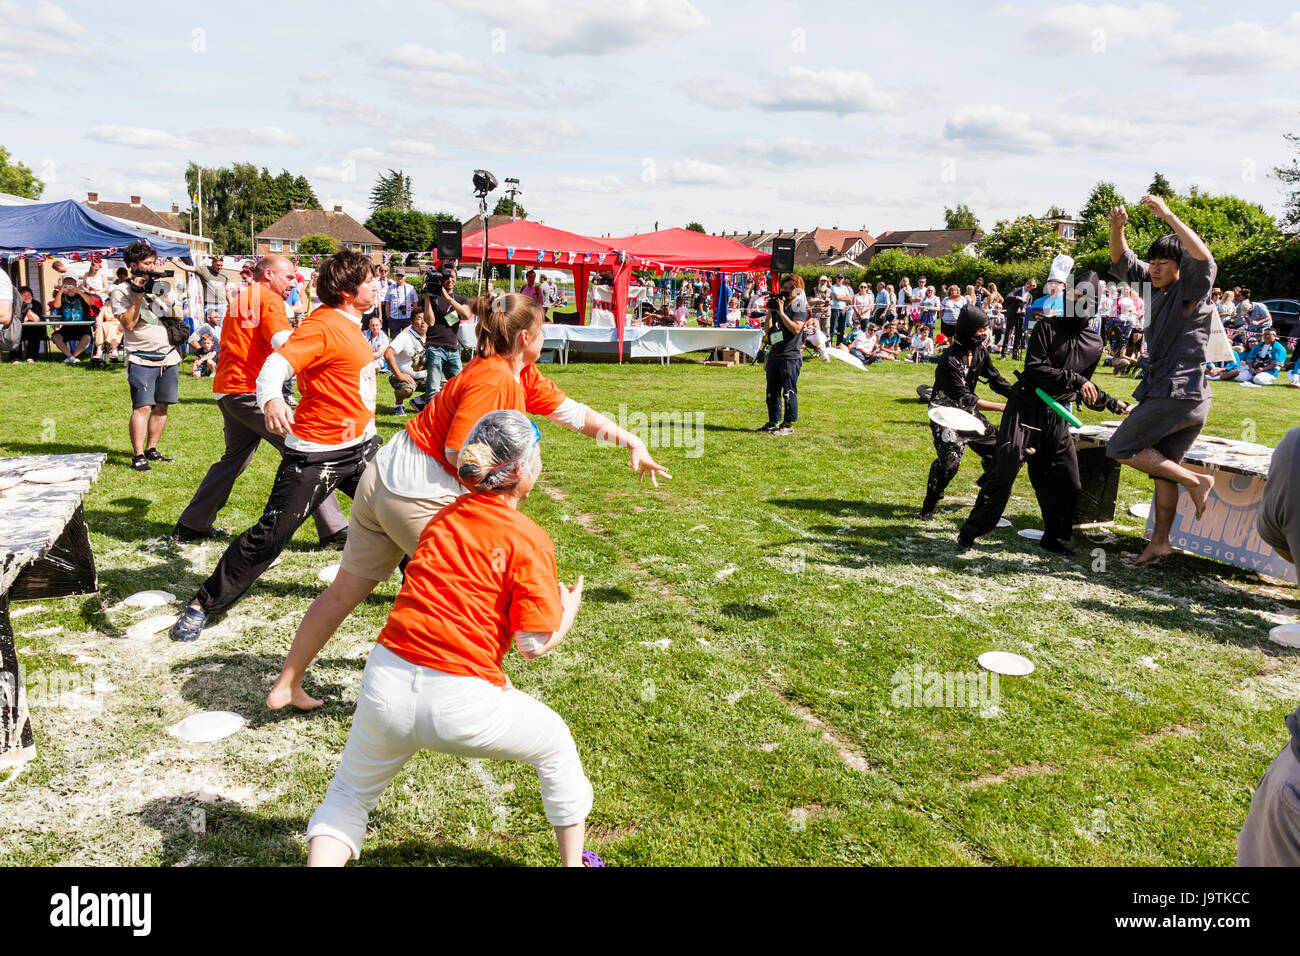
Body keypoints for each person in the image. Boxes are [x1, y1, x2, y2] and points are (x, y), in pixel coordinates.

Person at [265, 293, 670, 710]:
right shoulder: (494, 378)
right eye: (543, 330)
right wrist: (499, 515)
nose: (545, 336)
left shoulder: (517, 371)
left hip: (383, 478)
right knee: (476, 591)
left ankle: (286, 684)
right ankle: (489, 687)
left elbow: (573, 413)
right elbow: (464, 457)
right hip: (416, 492)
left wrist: (631, 440)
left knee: (343, 592)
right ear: (526, 336)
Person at [304, 409, 598, 867]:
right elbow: (533, 644)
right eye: (537, 454)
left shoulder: (441, 519)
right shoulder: (529, 538)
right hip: (461, 699)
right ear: (521, 469)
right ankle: (573, 863)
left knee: (348, 796)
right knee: (556, 743)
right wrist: (568, 612)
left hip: (385, 680)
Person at [170, 250, 383, 642]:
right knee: (270, 535)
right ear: (349, 291)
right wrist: (270, 399)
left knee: (400, 516)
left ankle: (434, 594)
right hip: (318, 454)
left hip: (361, 447)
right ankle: (203, 603)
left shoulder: (348, 322)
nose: (377, 284)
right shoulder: (320, 325)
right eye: (370, 279)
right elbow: (278, 361)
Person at [171, 253, 349, 545]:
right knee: (307, 452)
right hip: (249, 391)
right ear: (269, 275)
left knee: (233, 461)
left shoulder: (242, 296)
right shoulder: (268, 299)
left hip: (230, 389)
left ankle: (192, 525)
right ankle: (335, 531)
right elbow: (283, 342)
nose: (294, 283)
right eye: (289, 277)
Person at [959, 271, 1131, 556]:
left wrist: (1112, 403)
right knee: (1003, 474)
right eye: (1072, 295)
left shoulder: (1095, 343)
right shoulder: (1046, 328)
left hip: (1056, 416)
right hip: (1025, 408)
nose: (1075, 300)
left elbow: (1083, 389)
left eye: (1082, 296)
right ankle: (970, 533)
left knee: (1069, 483)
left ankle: (1053, 537)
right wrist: (1077, 381)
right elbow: (1035, 369)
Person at [1106, 197, 1219, 566]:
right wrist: (1117, 228)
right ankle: (1160, 543)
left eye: (1162, 263)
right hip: (1190, 398)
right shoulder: (1155, 290)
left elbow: (1203, 257)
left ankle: (1195, 481)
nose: (1153, 269)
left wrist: (1169, 216)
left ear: (1179, 267)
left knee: (1120, 447)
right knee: (1162, 466)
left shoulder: (1192, 292)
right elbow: (1121, 261)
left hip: (1176, 393)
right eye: (1151, 262)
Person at [920, 305, 1012, 520]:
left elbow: (996, 380)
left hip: (967, 414)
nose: (985, 334)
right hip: (945, 415)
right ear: (968, 330)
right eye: (981, 330)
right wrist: (1003, 407)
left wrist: (1019, 394)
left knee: (1004, 451)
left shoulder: (980, 352)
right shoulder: (949, 359)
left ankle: (985, 482)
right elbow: (966, 398)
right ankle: (929, 504)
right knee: (949, 462)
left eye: (986, 329)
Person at [110, 241, 183, 472]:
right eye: (147, 263)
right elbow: (129, 324)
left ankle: (152, 449)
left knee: (162, 406)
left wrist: (160, 296)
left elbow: (179, 315)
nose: (152, 267)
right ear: (133, 265)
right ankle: (138, 454)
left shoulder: (161, 287)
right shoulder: (120, 291)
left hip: (168, 355)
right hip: (141, 356)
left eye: (154, 263)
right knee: (142, 406)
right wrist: (138, 295)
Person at [758, 274, 806, 436]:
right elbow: (768, 330)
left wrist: (782, 312)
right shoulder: (779, 305)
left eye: (790, 289)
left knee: (788, 391)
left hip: (790, 355)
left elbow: (796, 329)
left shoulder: (799, 307)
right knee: (772, 391)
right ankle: (773, 421)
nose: (785, 291)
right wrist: (771, 312)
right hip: (775, 353)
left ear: (797, 291)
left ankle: (788, 424)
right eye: (784, 288)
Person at [422, 270, 470, 405]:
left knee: (459, 387)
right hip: (435, 348)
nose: (450, 280)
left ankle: (453, 417)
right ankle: (428, 423)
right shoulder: (432, 297)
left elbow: (466, 315)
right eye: (446, 277)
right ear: (441, 280)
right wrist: (426, 298)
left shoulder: (461, 299)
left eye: (452, 277)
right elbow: (430, 322)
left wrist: (448, 299)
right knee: (433, 389)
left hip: (453, 349)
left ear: (456, 279)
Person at [383, 310, 427, 416]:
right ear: (411, 323)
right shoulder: (404, 336)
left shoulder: (434, 335)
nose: (423, 321)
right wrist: (399, 374)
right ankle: (399, 403)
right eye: (419, 318)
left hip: (425, 376)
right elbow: (388, 354)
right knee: (406, 390)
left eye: (425, 318)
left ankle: (418, 401)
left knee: (449, 385)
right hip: (403, 375)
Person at [50, 276, 94, 363]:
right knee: (55, 336)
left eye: (71, 284)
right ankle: (70, 357)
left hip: (83, 326)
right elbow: (56, 305)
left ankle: (73, 356)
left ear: (76, 284)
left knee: (87, 337)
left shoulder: (82, 294)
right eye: (67, 284)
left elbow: (91, 302)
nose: (69, 286)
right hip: (67, 327)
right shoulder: (61, 296)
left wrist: (79, 292)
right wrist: (61, 292)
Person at [173, 255, 230, 321]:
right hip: (210, 304)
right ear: (212, 263)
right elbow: (187, 268)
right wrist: (173, 260)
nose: (220, 267)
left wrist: (231, 304)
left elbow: (227, 290)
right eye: (218, 265)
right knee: (210, 327)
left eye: (221, 265)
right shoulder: (204, 270)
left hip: (222, 305)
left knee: (222, 327)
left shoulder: (224, 275)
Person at [999, 278, 1037, 359]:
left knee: (1018, 336)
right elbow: (1008, 296)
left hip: (1021, 316)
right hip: (1012, 314)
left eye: (1031, 289)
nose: (1029, 289)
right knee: (1008, 334)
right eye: (1028, 287)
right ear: (1026, 284)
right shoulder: (1017, 289)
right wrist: (1017, 297)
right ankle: (1003, 354)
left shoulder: (1030, 296)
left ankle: (1015, 355)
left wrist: (1025, 309)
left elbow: (1029, 306)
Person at [8, 285, 47, 364]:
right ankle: (16, 358)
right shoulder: (14, 305)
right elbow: (22, 320)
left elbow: (36, 319)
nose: (27, 297)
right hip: (19, 329)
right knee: (14, 334)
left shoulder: (36, 304)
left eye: (29, 295)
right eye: (24, 295)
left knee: (35, 333)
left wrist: (27, 307)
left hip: (33, 329)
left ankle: (30, 357)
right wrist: (23, 306)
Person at [381, 270, 417, 338]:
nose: (400, 277)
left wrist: (414, 316)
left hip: (407, 318)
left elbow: (415, 302)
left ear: (405, 277)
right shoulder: (390, 288)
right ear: (395, 276)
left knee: (408, 339)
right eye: (398, 275)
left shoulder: (410, 288)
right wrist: (388, 315)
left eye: (402, 275)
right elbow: (387, 303)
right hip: (394, 318)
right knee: (394, 339)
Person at [830, 274, 852, 346]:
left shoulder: (845, 288)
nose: (840, 279)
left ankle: (839, 344)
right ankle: (829, 343)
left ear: (843, 279)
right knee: (832, 327)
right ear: (836, 278)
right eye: (838, 278)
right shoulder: (833, 287)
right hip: (835, 309)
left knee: (842, 328)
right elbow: (837, 297)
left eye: (841, 278)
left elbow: (849, 299)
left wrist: (841, 297)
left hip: (843, 309)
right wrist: (844, 297)